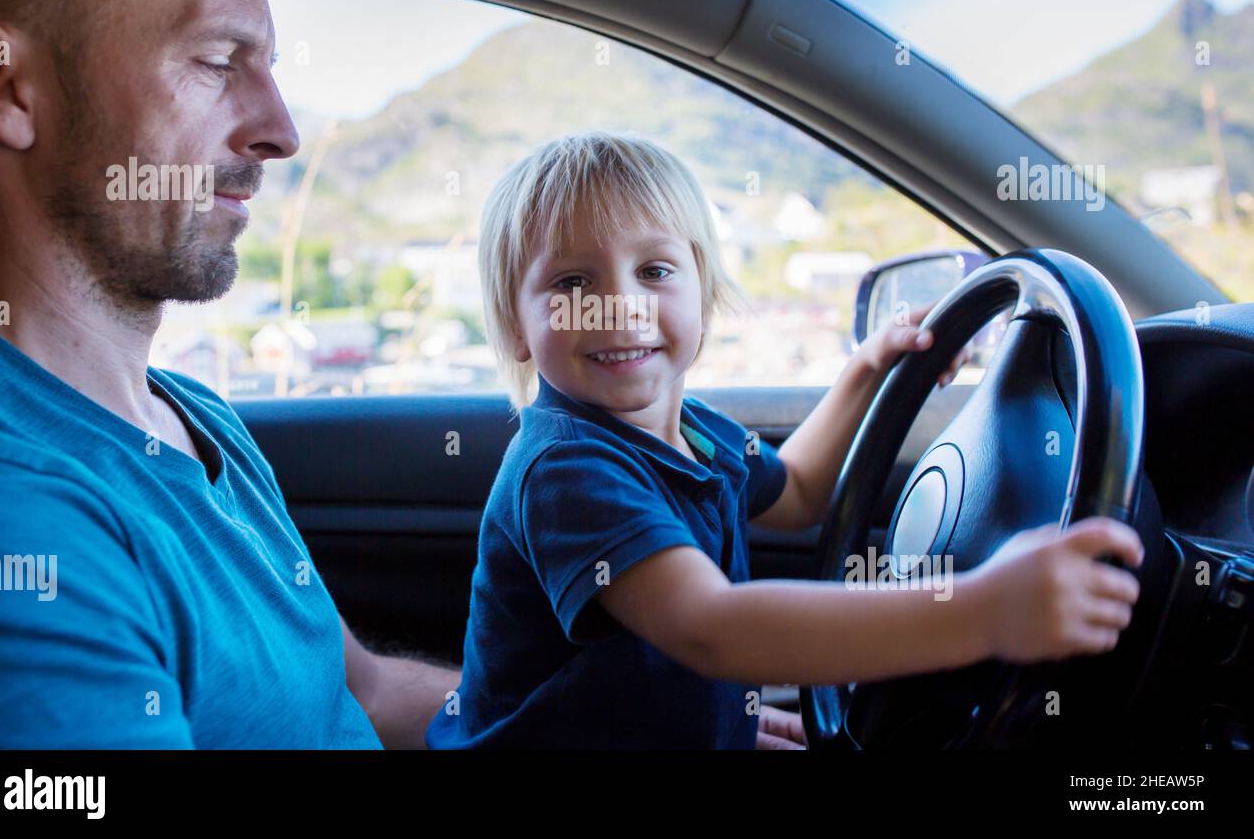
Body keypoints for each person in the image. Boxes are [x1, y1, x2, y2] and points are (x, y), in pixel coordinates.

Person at [424, 131, 1145, 749]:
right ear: (518, 327)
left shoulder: (696, 432)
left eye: (654, 270)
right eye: (574, 282)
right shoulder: (567, 469)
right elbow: (710, 626)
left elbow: (796, 490)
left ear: (701, 296)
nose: (622, 306)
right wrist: (985, 610)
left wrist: (866, 372)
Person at [0, 0, 455, 748]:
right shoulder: (4, 511)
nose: (281, 130)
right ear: (3, 85)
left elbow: (364, 694)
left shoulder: (190, 415)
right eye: (220, 61)